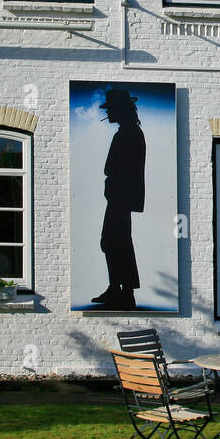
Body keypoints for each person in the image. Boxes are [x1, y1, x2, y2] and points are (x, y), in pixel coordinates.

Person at [92, 88, 145, 310]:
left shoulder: (128, 134)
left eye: (112, 109)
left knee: (115, 240)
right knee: (115, 241)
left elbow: (117, 168)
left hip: (120, 197)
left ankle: (122, 291)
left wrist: (114, 183)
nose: (109, 113)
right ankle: (120, 289)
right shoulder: (128, 133)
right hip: (119, 196)